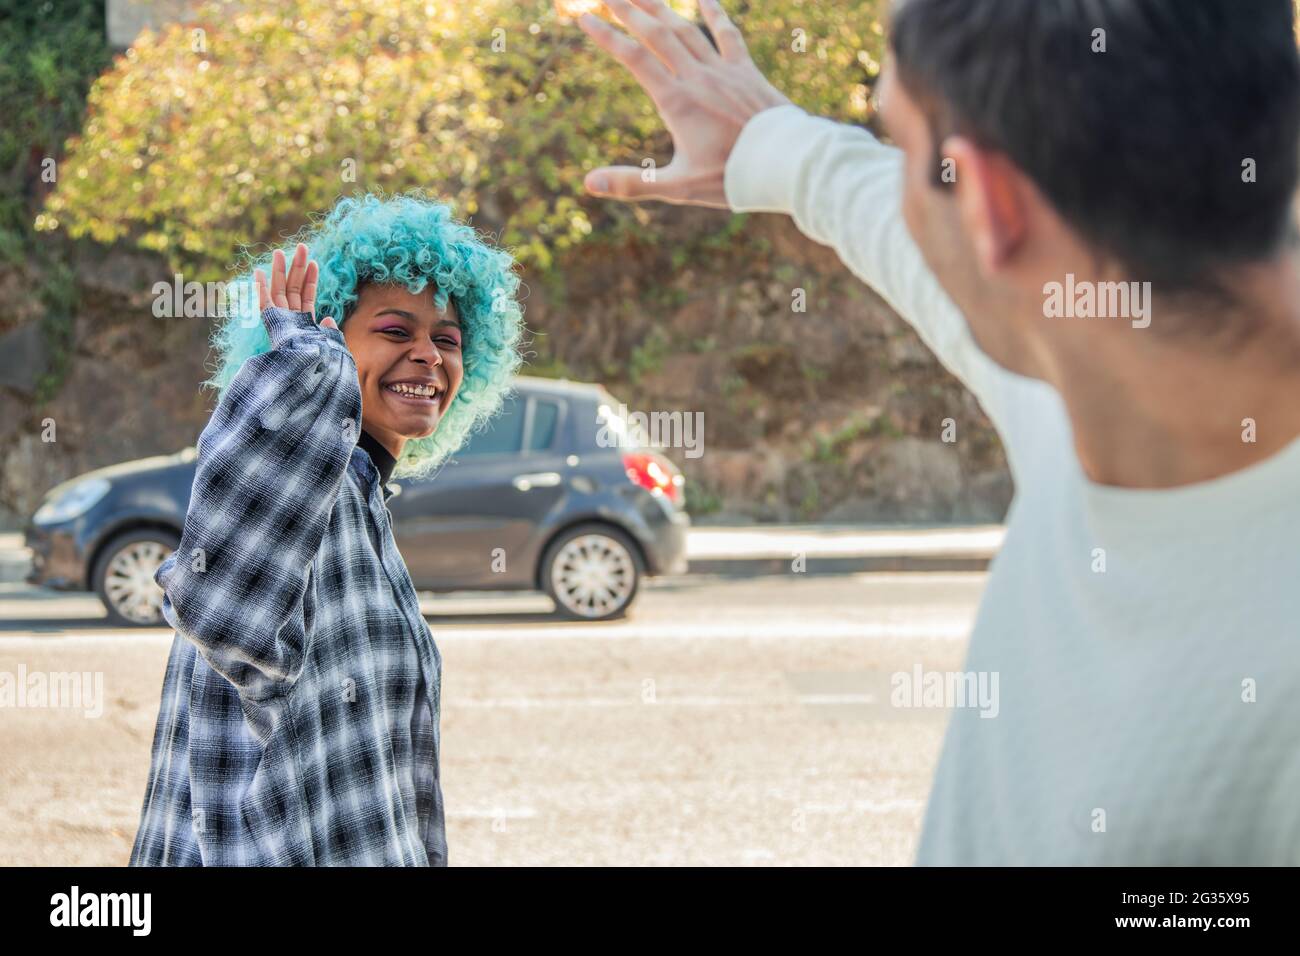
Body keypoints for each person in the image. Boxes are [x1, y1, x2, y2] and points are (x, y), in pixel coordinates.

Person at [579, 0, 1300, 864]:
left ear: (990, 206)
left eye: (900, 142)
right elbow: (887, 213)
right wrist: (774, 146)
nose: (896, 183)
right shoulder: (1095, 358)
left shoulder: (1072, 378)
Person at [129, 193, 523, 865]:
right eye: (396, 331)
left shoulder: (361, 499)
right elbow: (218, 603)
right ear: (327, 338)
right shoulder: (310, 491)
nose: (428, 354)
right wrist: (304, 376)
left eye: (447, 339)